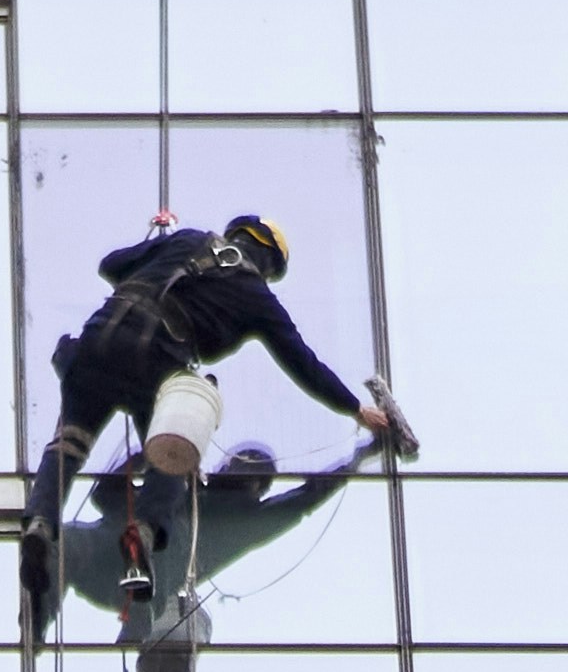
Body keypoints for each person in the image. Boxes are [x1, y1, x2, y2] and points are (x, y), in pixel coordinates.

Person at [25, 214, 405, 595]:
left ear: (237, 235)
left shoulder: (187, 240)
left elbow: (111, 265)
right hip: (154, 360)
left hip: (96, 344)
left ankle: (40, 524)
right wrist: (356, 409)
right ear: (269, 264)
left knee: (67, 447)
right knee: (174, 456)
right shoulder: (258, 297)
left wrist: (158, 253)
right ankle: (141, 535)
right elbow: (303, 363)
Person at [54, 436, 379, 672]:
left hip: (132, 583)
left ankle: (134, 604)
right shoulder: (179, 494)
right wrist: (153, 454)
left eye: (257, 476)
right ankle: (42, 608)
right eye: (243, 466)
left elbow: (307, 496)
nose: (247, 478)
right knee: (62, 541)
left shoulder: (241, 521)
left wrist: (358, 458)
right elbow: (104, 495)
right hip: (101, 563)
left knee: (151, 544)